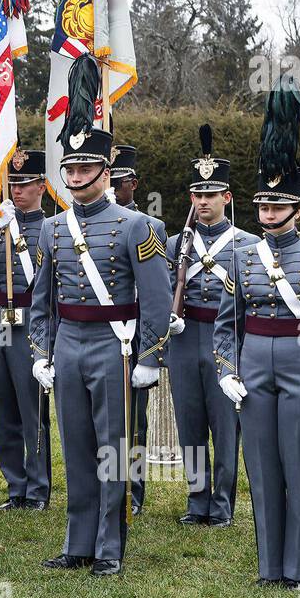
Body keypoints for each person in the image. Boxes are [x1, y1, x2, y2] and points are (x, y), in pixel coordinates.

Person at [28, 60, 171, 576]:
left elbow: (156, 300)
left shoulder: (139, 226)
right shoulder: (51, 229)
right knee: (77, 448)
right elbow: (40, 300)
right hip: (69, 341)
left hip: (116, 345)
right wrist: (41, 352)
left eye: (86, 169)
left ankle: (110, 548)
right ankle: (78, 543)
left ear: (106, 172)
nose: (76, 177)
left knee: (113, 450)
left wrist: (152, 358)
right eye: (69, 170)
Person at [213, 78, 300, 589]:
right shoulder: (240, 255)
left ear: (298, 209)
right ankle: (269, 567)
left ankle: (299, 568)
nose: (269, 217)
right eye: (262, 209)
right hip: (252, 365)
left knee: (299, 465)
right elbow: (226, 323)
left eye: (278, 209)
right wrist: (226, 370)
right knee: (262, 468)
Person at [166, 124, 252, 528]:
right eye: (197, 195)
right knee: (190, 421)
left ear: (226, 197)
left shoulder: (247, 243)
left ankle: (222, 504)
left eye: (210, 195)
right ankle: (197, 498)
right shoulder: (174, 243)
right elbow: (168, 287)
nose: (203, 202)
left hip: (225, 339)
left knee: (224, 423)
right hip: (184, 339)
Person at [0, 147, 50, 511]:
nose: (17, 191)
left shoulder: (53, 229)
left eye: (24, 184)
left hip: (30, 319)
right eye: (12, 184)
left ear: (42, 186)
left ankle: (38, 487)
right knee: (1, 401)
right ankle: (15, 484)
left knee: (31, 404)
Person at [109, 142, 167, 516]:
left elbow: (155, 292)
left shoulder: (150, 226)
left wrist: (149, 349)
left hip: (131, 332)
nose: (113, 188)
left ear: (134, 183)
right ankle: (103, 488)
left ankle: (132, 491)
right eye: (108, 180)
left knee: (132, 421)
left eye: (120, 181)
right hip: (94, 329)